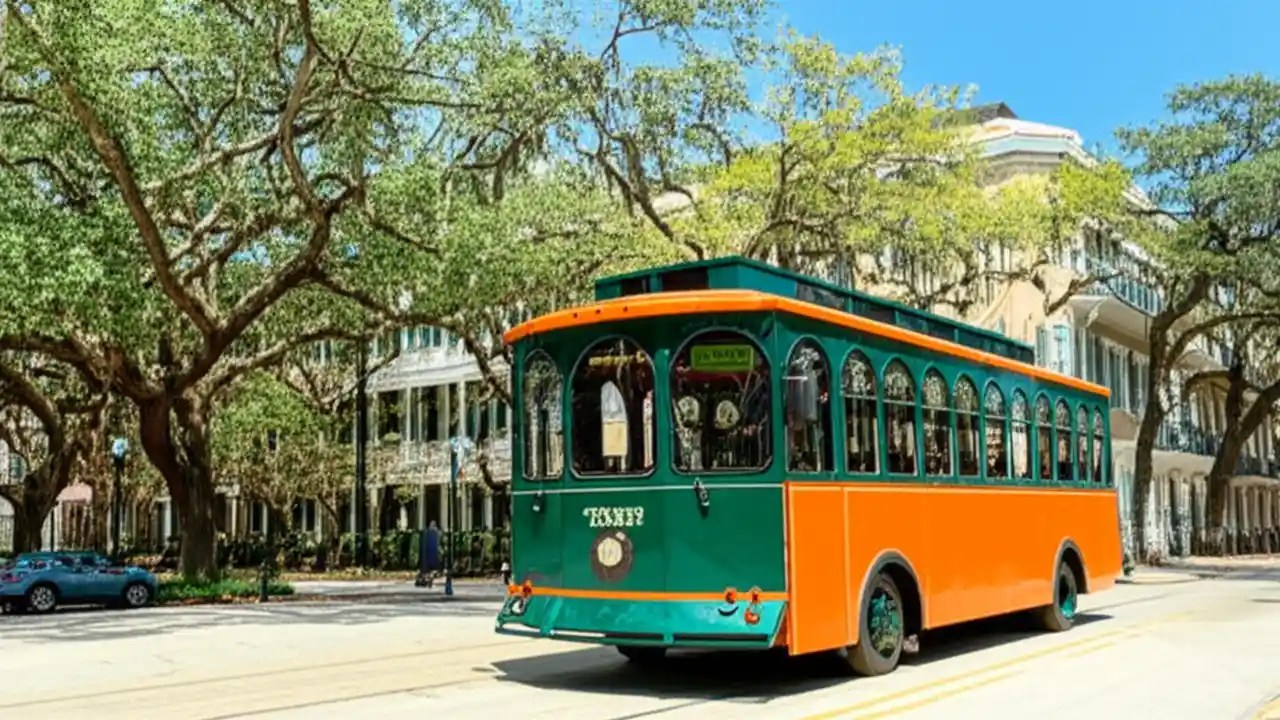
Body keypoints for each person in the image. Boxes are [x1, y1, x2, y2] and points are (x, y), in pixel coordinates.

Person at [417, 521, 442, 588]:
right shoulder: (435, 533)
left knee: (429, 568)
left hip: (429, 553)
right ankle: (427, 579)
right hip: (432, 553)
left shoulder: (427, 533)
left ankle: (426, 579)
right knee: (432, 568)